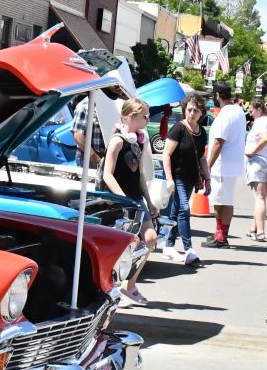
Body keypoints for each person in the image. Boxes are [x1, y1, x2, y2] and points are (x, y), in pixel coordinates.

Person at [101, 98, 159, 306]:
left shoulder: (140, 141)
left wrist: (149, 200)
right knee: (123, 245)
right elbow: (108, 174)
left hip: (136, 198)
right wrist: (122, 199)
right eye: (144, 115)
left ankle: (130, 284)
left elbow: (140, 174)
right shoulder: (117, 141)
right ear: (132, 116)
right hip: (119, 201)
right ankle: (114, 286)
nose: (147, 119)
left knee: (151, 238)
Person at [161, 93, 210, 266]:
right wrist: (169, 179)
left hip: (191, 178)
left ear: (201, 113)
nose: (191, 113)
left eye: (196, 111)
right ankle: (189, 249)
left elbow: (202, 157)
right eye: (189, 110)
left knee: (175, 212)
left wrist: (208, 179)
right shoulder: (178, 129)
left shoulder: (201, 132)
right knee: (184, 208)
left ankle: (168, 246)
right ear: (184, 110)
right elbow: (166, 154)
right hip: (177, 176)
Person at [203, 81, 247, 248]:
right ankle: (219, 233)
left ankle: (222, 236)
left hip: (223, 164)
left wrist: (208, 165)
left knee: (224, 201)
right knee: (220, 200)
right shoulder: (237, 111)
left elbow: (218, 142)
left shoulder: (226, 114)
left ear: (217, 95)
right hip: (230, 163)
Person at [245, 97, 267, 241]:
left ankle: (260, 232)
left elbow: (264, 138)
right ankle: (253, 229)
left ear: (258, 110)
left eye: (252, 110)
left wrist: (252, 151)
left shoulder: (260, 122)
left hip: (259, 161)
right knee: (262, 199)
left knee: (259, 198)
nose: (250, 113)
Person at [72, 94, 106, 169]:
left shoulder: (109, 104)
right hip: (91, 159)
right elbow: (78, 135)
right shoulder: (84, 107)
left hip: (106, 157)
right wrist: (94, 156)